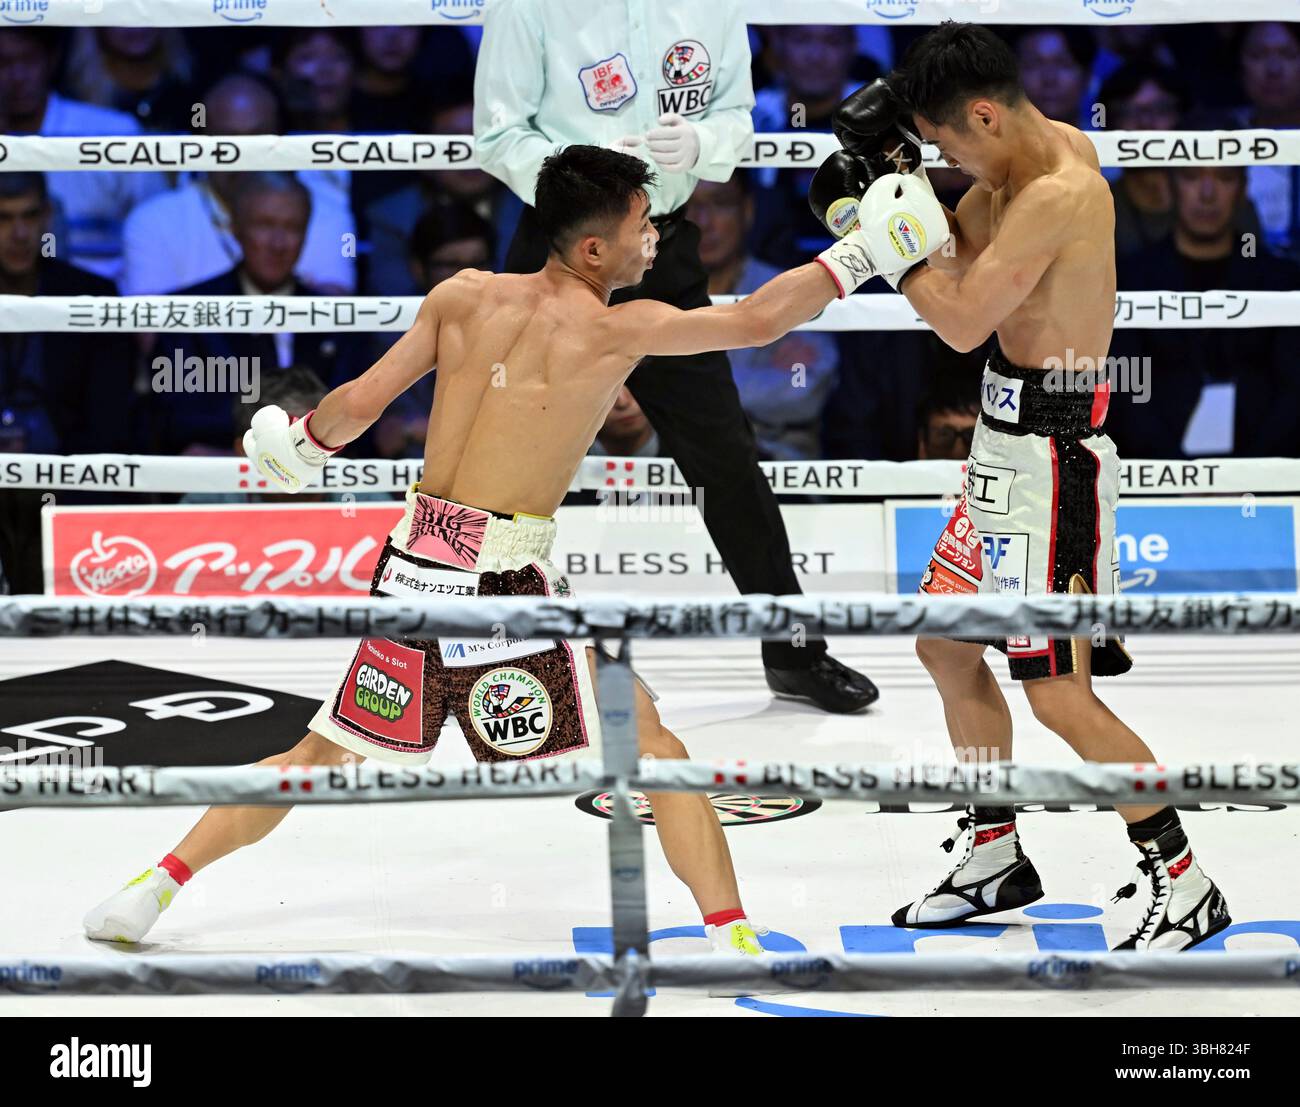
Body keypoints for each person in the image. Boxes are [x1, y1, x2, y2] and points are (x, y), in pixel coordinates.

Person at [82, 142, 950, 954]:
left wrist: (298, 439)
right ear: (594, 250)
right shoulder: (619, 330)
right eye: (644, 221)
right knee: (654, 747)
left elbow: (359, 403)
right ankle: (733, 934)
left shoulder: (461, 296)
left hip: (415, 567)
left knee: (316, 756)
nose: (657, 235)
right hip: (504, 584)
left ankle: (152, 886)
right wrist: (864, 254)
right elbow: (761, 321)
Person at [814, 22, 1229, 950]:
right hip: (1002, 447)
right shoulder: (1009, 167)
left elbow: (958, 318)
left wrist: (879, 232)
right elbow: (959, 252)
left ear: (988, 113)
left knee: (1058, 694)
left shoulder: (1059, 190)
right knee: (947, 644)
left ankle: (1184, 875)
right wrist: (899, 187)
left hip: (1054, 461)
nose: (946, 162)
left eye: (947, 144)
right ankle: (994, 851)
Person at [474, 0, 880, 713]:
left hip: (662, 240)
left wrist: (700, 144)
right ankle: (482, 642)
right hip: (559, 243)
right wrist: (591, 184)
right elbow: (500, 131)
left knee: (723, 449)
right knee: (513, 453)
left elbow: (736, 114)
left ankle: (793, 651)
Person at [1110, 162, 1300, 459]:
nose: (1207, 194)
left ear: (1243, 189)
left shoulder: (1283, 280)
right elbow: (1123, 391)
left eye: (1224, 178)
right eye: (1191, 177)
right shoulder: (1130, 279)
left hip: (1265, 476)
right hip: (1153, 474)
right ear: (1170, 185)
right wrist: (1177, 475)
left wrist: (1247, 475)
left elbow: (1293, 391)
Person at [689, 172, 838, 461]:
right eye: (689, 207)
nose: (704, 222)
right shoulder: (652, 292)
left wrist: (679, 384)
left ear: (747, 210)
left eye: (720, 204)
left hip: (777, 469)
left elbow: (804, 390)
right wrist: (762, 379)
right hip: (679, 466)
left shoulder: (791, 287)